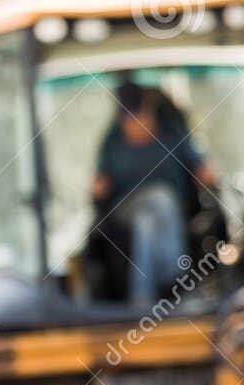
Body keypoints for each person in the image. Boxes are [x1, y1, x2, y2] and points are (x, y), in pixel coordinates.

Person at [92, 80, 216, 302]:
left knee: (147, 221)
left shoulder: (173, 134)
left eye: (138, 117)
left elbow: (203, 173)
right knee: (160, 197)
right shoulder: (112, 142)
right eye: (128, 120)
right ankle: (177, 279)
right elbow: (99, 187)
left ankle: (142, 296)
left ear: (149, 109)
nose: (134, 126)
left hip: (168, 211)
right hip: (125, 208)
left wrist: (208, 183)